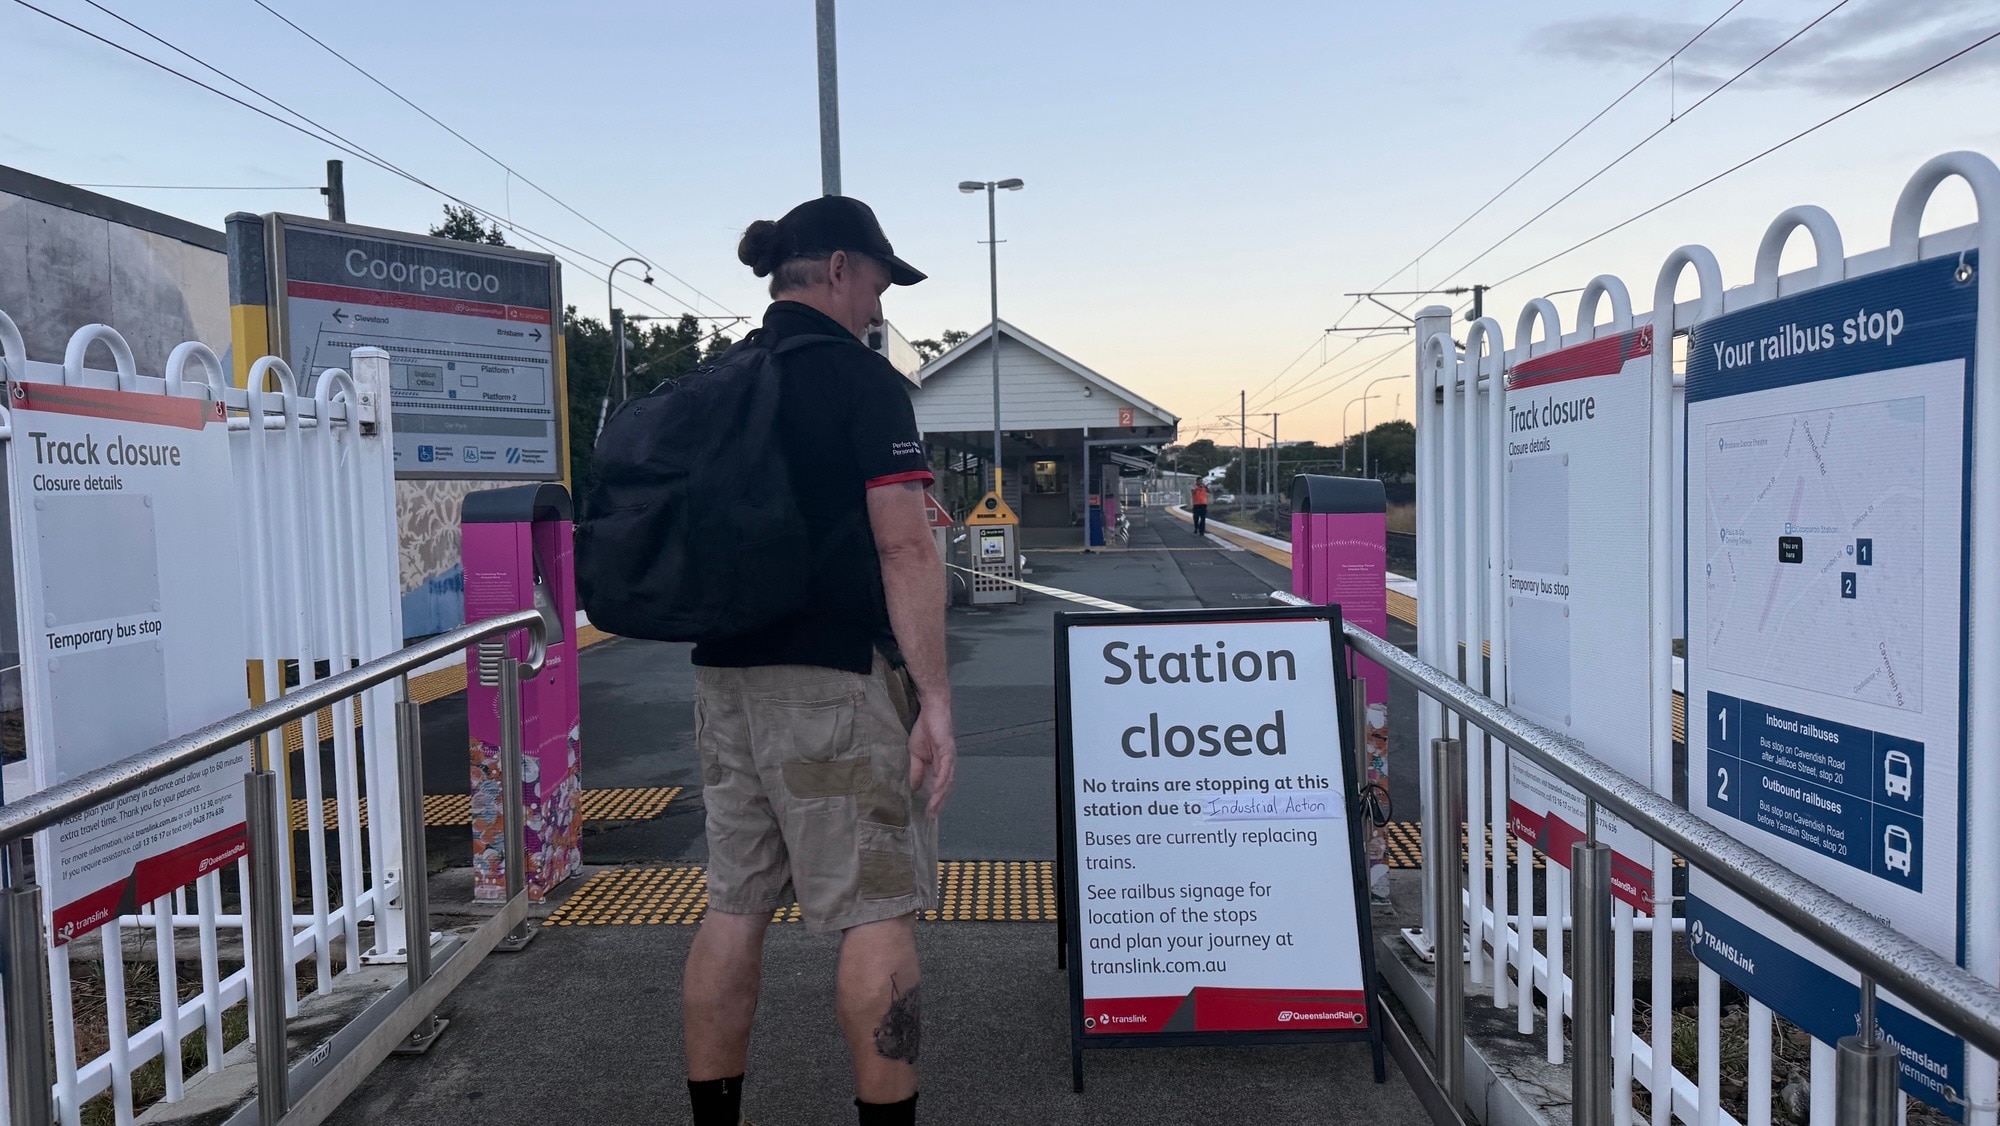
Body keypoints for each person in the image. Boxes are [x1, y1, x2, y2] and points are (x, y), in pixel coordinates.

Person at [682, 196, 956, 1126]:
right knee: (877, 910)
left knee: (735, 905)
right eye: (879, 283)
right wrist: (936, 700)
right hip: (835, 683)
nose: (881, 306)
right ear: (840, 268)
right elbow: (906, 551)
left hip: (724, 680)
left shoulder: (721, 377)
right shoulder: (861, 381)